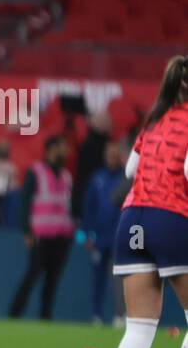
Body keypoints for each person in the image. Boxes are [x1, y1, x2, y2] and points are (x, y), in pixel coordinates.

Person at [106, 55, 188, 348]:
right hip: (172, 217)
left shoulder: (154, 120)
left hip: (133, 220)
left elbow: (129, 171)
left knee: (138, 327)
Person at [9, 134, 73, 320]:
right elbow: (25, 202)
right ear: (52, 149)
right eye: (62, 146)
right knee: (33, 274)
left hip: (61, 234)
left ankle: (45, 314)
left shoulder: (66, 175)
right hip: (40, 234)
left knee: (53, 278)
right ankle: (15, 312)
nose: (65, 151)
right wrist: (26, 231)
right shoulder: (35, 171)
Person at [83, 138, 125, 325]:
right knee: (97, 278)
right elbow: (88, 208)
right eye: (110, 154)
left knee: (119, 278)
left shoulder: (126, 179)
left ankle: (119, 315)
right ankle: (96, 315)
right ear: (105, 156)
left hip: (119, 236)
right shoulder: (97, 178)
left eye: (116, 154)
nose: (113, 157)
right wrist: (87, 234)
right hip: (100, 236)